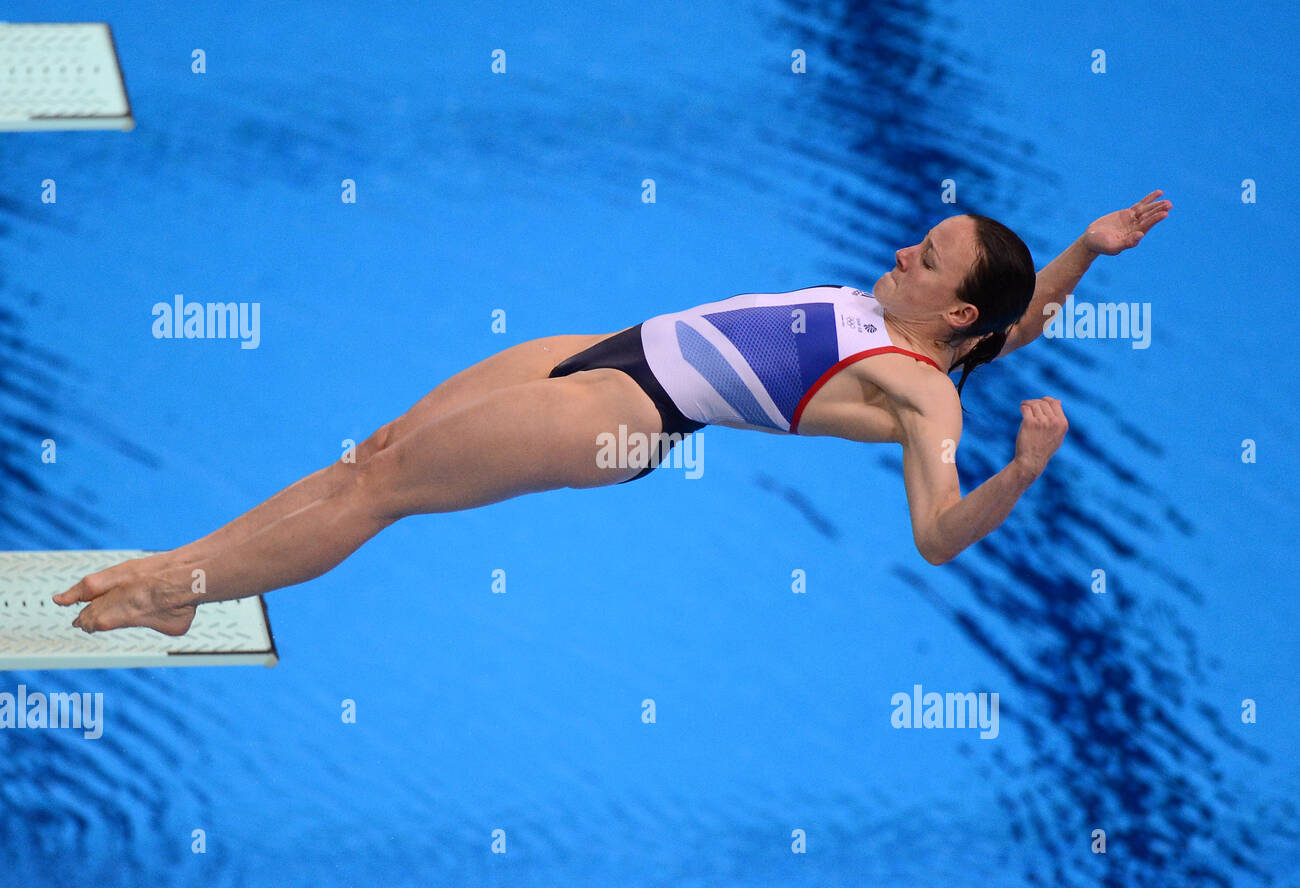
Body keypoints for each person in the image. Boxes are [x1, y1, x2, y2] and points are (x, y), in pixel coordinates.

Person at [54, 191, 1171, 635]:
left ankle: (173, 588)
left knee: (376, 490)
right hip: (613, 344)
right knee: (381, 450)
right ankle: (191, 567)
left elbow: (933, 537)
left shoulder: (925, 387)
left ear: (953, 305)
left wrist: (1017, 475)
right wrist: (1084, 249)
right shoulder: (962, 335)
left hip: (629, 408)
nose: (899, 252)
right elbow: (1019, 325)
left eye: (923, 259)